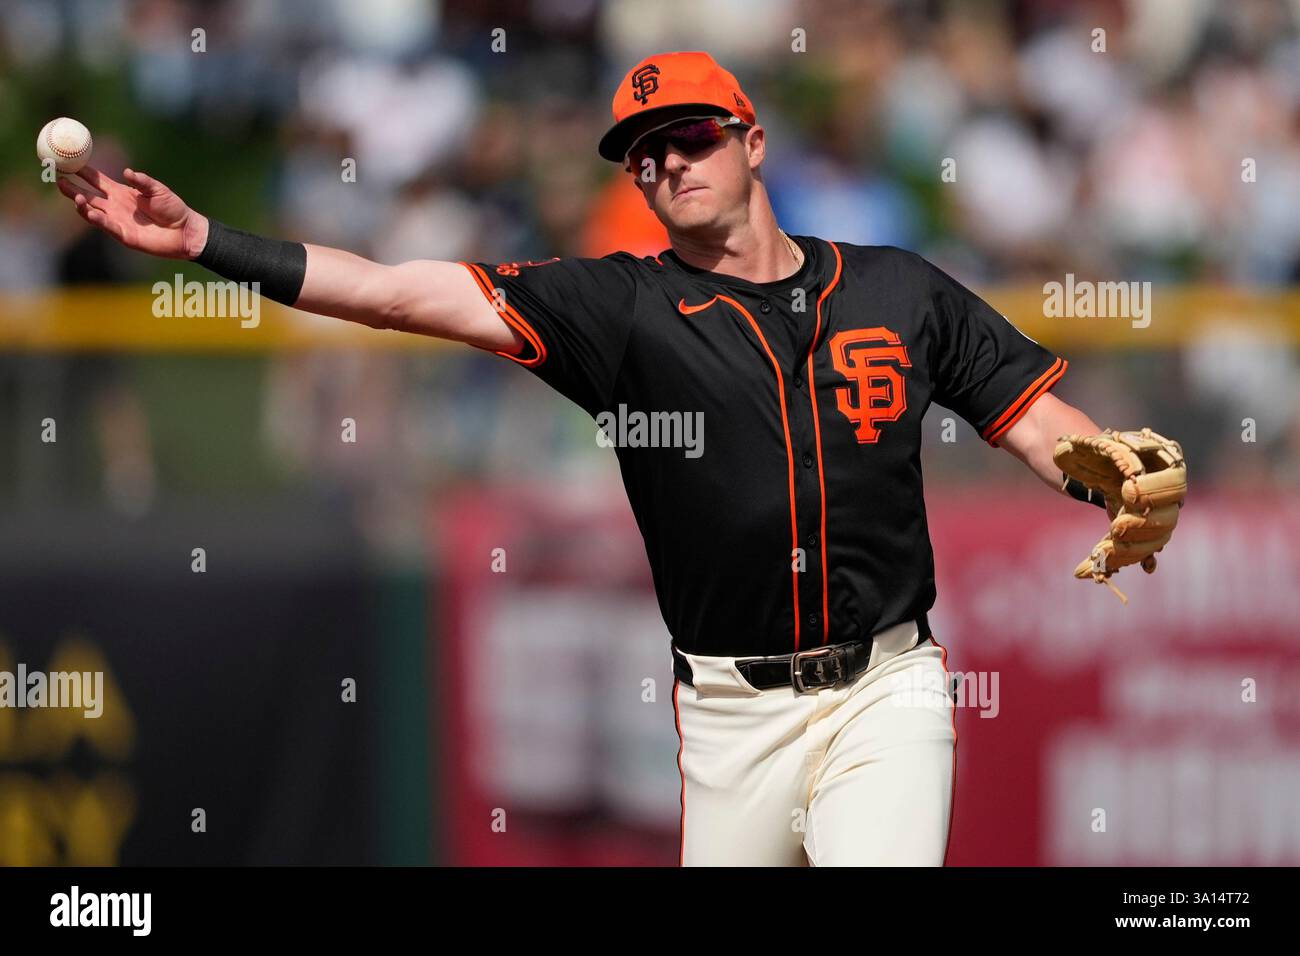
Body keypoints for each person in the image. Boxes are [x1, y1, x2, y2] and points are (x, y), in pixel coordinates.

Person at [57, 51, 1162, 866]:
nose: (666, 160)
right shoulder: (620, 307)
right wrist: (208, 242)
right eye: (645, 152)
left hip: (886, 685)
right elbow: (399, 293)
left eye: (691, 136)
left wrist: (1103, 471)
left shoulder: (896, 288)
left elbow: (1031, 419)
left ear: (751, 141)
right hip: (729, 716)